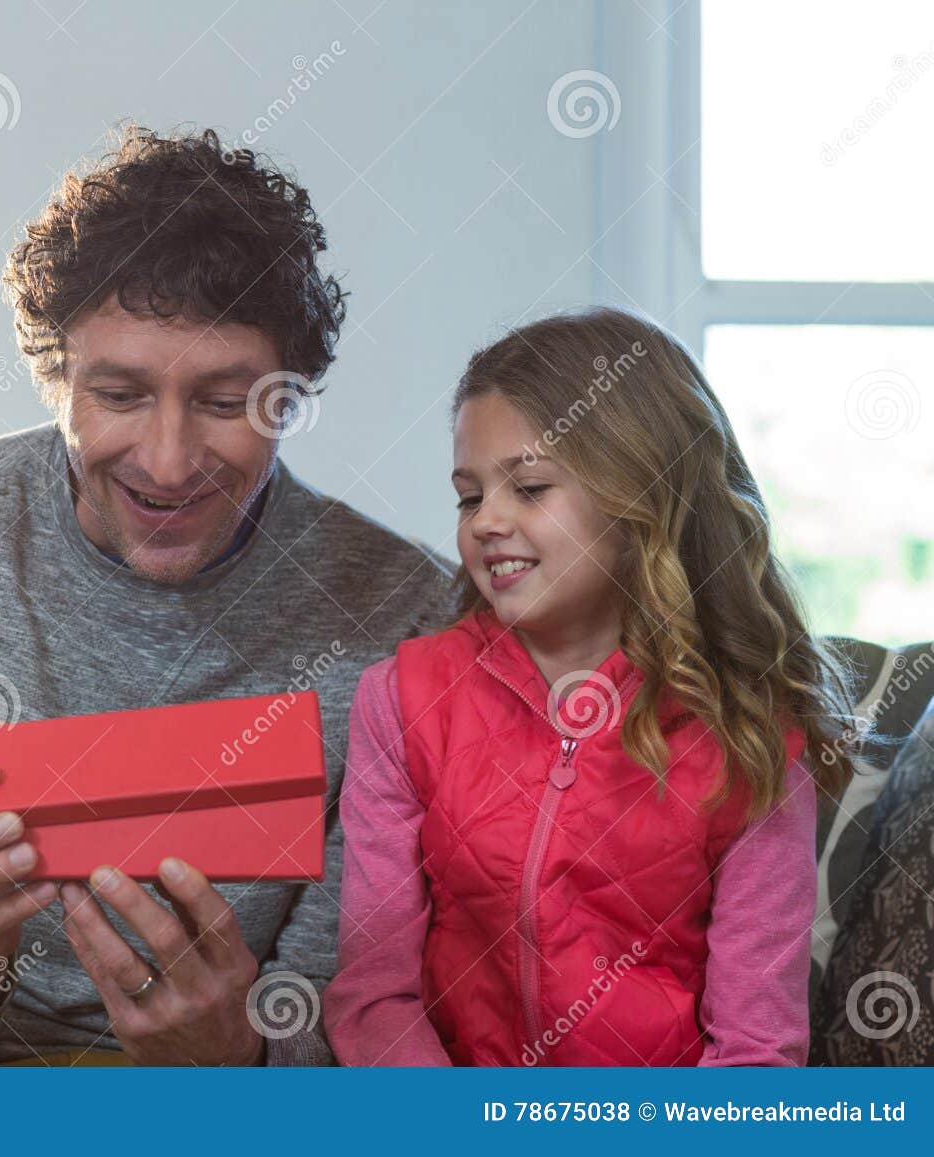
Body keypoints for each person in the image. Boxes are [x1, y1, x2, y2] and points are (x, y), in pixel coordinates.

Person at [0, 126, 454, 1065]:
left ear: (289, 399)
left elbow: (360, 1025)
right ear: (56, 380)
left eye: (224, 402)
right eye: (121, 395)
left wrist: (236, 1058)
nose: (168, 463)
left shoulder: (408, 617)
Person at [324, 307, 856, 1066]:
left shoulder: (749, 733)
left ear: (642, 499)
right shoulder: (402, 699)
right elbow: (375, 997)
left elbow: (756, 1050)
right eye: (470, 496)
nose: (485, 521)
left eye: (530, 487)